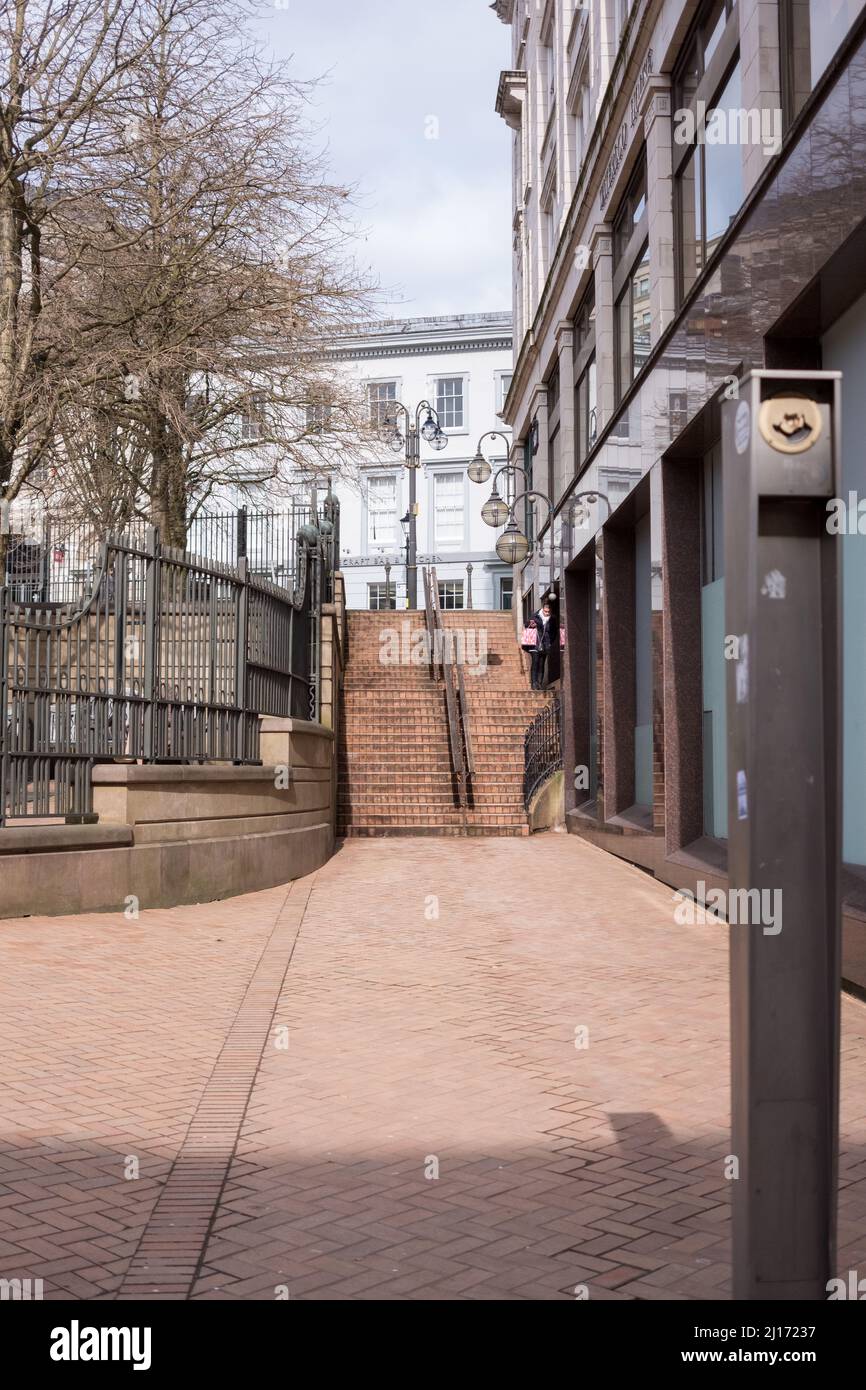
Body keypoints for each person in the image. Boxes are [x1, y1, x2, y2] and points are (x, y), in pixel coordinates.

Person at [529, 599, 559, 690]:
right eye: (545, 611)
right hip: (535, 643)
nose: (547, 613)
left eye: (548, 612)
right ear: (543, 609)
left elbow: (554, 631)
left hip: (545, 644)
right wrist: (530, 625)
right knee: (535, 663)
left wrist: (550, 641)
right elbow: (527, 625)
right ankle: (534, 683)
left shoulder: (552, 619)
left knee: (542, 664)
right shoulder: (535, 616)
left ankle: (539, 683)